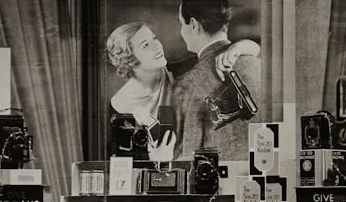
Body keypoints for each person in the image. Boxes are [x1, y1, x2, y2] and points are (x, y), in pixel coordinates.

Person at [106, 21, 258, 161]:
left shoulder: (186, 71)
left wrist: (236, 48)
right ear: (130, 61)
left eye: (154, 38)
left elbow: (254, 49)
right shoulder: (120, 105)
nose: (157, 46)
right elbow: (123, 164)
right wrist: (154, 160)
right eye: (145, 45)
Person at [173, 0, 262, 160]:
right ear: (225, 24)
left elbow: (188, 155)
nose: (182, 31)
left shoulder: (187, 83)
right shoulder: (259, 66)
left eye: (181, 23)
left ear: (193, 25)